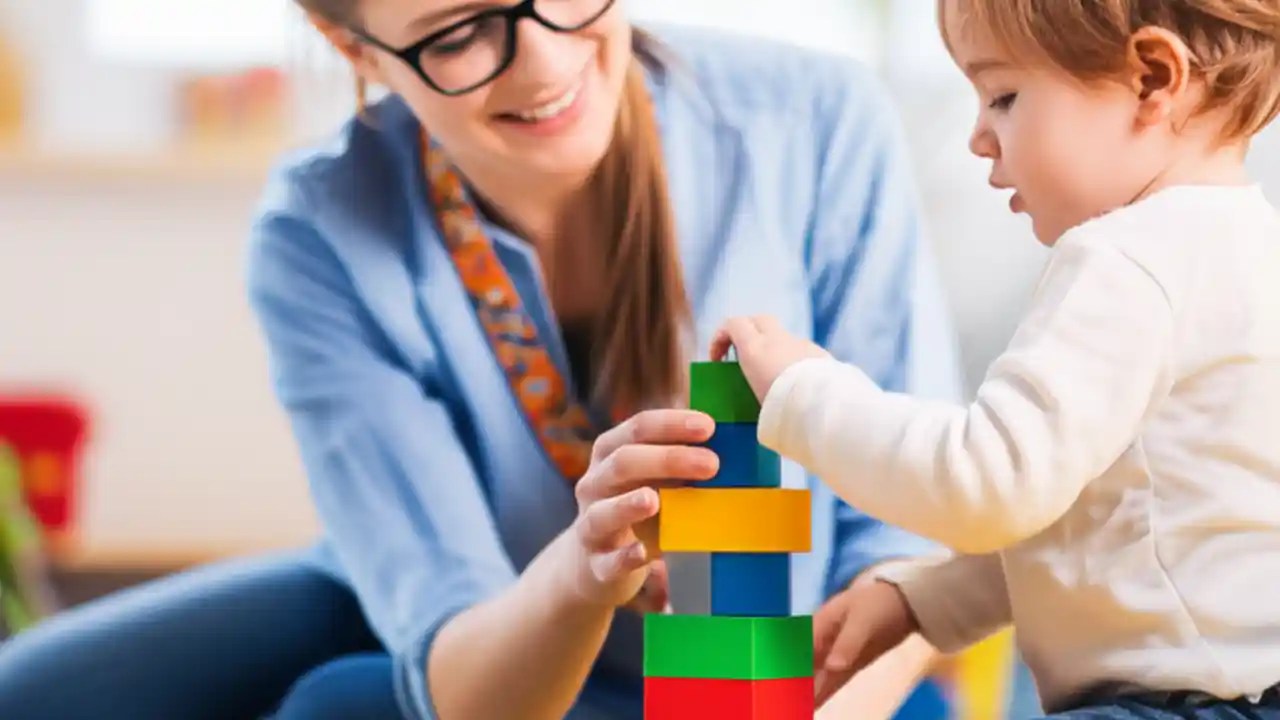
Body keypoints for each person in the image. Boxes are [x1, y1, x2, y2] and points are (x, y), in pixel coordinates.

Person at [0, 1, 965, 719]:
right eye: (460, 32)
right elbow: (461, 662)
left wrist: (809, 701)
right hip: (491, 620)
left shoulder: (814, 120)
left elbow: (913, 542)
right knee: (34, 695)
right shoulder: (323, 230)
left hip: (796, 673)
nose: (544, 60)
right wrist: (582, 573)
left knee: (338, 706)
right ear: (357, 48)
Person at [714, 1, 1280, 719]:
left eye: (1005, 97)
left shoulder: (1127, 261)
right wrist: (924, 600)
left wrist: (800, 389)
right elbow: (1109, 532)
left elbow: (983, 485)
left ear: (1151, 79)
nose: (979, 137)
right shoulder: (1247, 245)